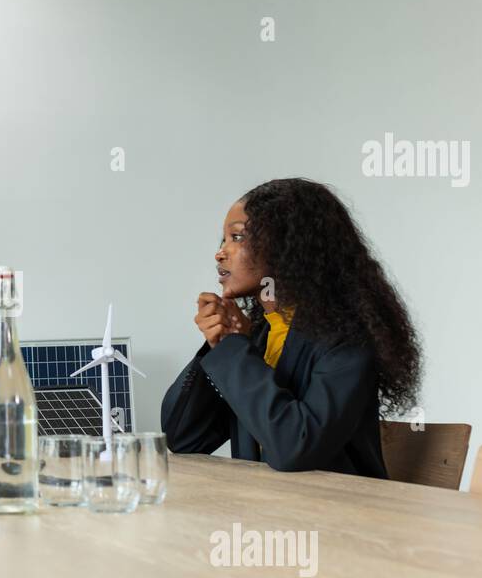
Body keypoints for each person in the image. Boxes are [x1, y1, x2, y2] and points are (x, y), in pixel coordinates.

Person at [160, 177, 422, 477]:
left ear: (286, 247)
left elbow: (295, 447)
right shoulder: (256, 338)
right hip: (267, 505)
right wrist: (221, 344)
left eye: (237, 237)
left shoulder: (347, 340)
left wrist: (232, 349)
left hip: (338, 506)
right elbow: (184, 437)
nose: (220, 253)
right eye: (224, 240)